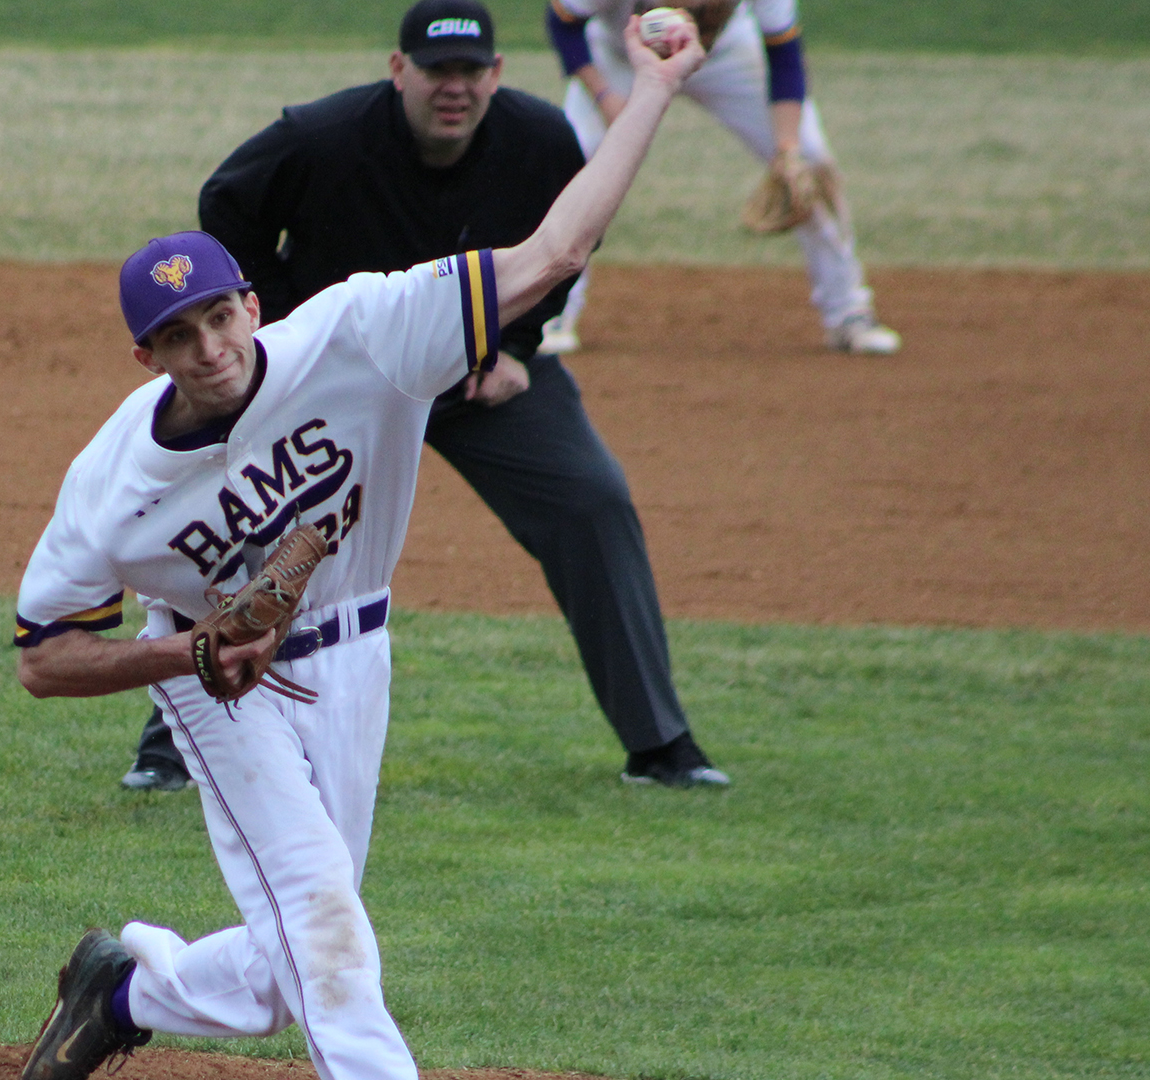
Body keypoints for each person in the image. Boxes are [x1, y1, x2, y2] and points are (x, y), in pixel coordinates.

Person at [12, 16, 707, 1080]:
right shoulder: (112, 489)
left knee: (288, 966)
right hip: (218, 692)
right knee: (324, 920)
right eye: (177, 337)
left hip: (356, 658)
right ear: (144, 355)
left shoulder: (358, 333)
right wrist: (183, 657)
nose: (210, 348)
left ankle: (125, 988)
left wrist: (653, 90)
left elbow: (556, 251)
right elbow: (41, 658)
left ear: (253, 303)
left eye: (218, 316)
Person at [118, 0, 727, 796]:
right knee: (254, 534)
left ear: (497, 76)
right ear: (399, 70)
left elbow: (569, 247)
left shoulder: (541, 139)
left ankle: (660, 744)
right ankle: (173, 745)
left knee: (591, 499)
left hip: (476, 377)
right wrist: (279, 349)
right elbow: (225, 202)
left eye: (472, 71)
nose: (456, 88)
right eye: (438, 70)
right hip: (331, 390)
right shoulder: (322, 138)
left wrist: (516, 346)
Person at [539, 0, 900, 357]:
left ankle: (848, 313)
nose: (701, 18)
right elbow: (563, 22)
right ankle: (549, 314)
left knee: (811, 164)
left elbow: (784, 51)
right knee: (573, 165)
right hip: (622, 56)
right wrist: (604, 98)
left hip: (726, 58)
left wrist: (788, 149)